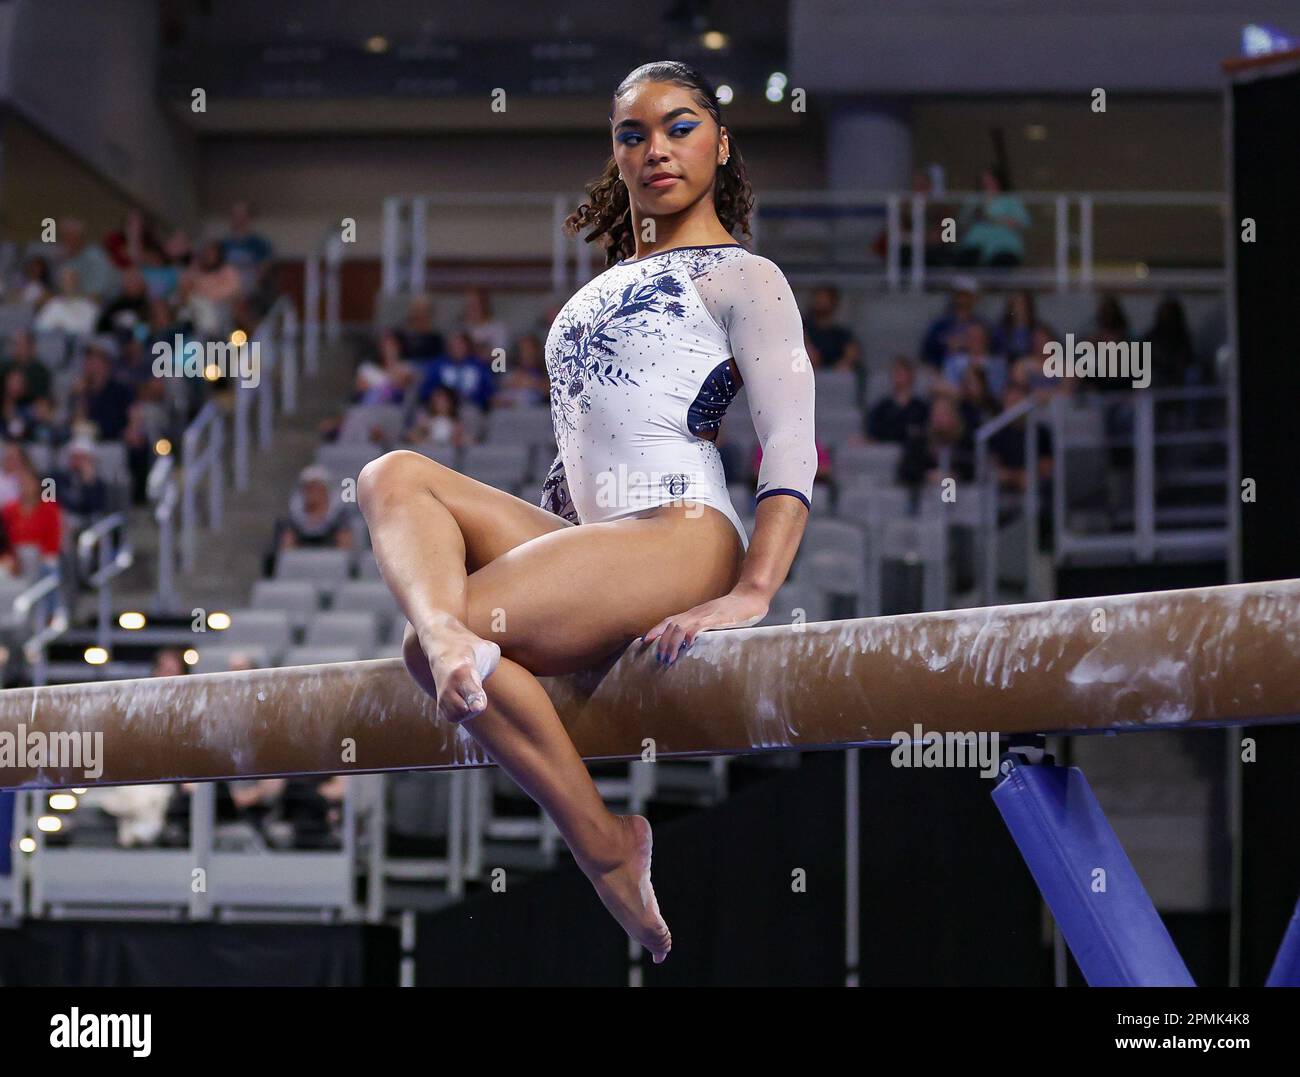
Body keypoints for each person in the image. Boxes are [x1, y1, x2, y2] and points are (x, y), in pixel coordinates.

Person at [356, 61, 816, 966]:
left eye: (680, 127)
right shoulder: (597, 287)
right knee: (390, 474)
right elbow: (581, 459)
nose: (655, 151)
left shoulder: (745, 277)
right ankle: (452, 636)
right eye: (632, 134)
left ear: (722, 144)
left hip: (682, 532)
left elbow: (792, 438)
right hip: (604, 541)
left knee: (432, 645)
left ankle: (605, 844)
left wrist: (755, 588)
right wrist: (557, 553)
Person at [955, 166, 1031, 268]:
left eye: (990, 179)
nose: (986, 182)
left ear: (998, 180)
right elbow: (962, 221)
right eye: (983, 179)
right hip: (975, 243)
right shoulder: (974, 199)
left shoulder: (1010, 199)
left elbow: (1023, 222)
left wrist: (993, 219)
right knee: (963, 262)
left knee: (998, 267)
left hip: (1004, 245)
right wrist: (974, 216)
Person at [415, 331, 496, 413]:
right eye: (453, 345)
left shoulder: (479, 365)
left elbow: (487, 390)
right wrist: (438, 396)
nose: (456, 348)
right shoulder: (438, 364)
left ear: (468, 346)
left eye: (460, 345)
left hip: (469, 404)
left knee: (470, 413)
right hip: (441, 404)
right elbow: (427, 388)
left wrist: (474, 397)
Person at [921, 277, 986, 369]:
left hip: (975, 374)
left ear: (974, 299)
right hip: (944, 375)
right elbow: (927, 353)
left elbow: (992, 352)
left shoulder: (982, 325)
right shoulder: (940, 325)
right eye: (959, 295)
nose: (962, 300)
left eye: (966, 296)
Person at [864, 356, 929, 445]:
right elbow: (873, 434)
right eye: (895, 371)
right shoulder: (881, 407)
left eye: (902, 371)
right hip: (885, 451)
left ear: (911, 375)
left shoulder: (922, 408)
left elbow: (924, 433)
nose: (898, 374)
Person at [802, 284, 861, 372]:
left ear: (834, 303)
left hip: (834, 378)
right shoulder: (804, 328)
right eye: (818, 298)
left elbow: (852, 354)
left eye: (824, 298)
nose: (819, 301)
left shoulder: (840, 333)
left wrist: (841, 366)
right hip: (809, 374)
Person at [32, 267, 99, 336]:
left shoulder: (89, 305)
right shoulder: (53, 304)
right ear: (60, 283)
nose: (68, 283)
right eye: (64, 280)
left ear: (78, 281)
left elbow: (89, 330)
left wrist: (63, 326)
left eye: (71, 279)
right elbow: (39, 328)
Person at [494, 334, 550, 409]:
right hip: (511, 412)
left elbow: (552, 391)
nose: (525, 352)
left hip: (537, 412)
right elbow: (495, 398)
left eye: (529, 349)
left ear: (537, 351)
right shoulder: (510, 371)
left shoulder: (547, 369)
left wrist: (533, 383)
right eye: (522, 349)